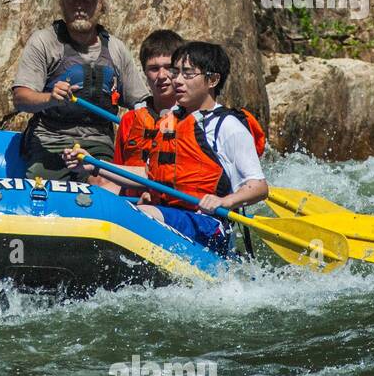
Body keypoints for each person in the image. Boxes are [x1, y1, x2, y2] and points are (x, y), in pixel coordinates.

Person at [70, 41, 266, 254]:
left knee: (137, 214)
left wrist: (225, 201)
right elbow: (148, 174)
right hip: (169, 213)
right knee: (114, 209)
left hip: (208, 224)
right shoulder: (170, 122)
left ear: (212, 80)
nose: (178, 81)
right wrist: (94, 166)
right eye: (177, 73)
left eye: (188, 74)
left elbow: (258, 187)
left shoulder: (228, 126)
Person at [11, 0, 147, 180]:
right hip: (51, 143)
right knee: (43, 192)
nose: (79, 6)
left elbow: (140, 103)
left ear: (101, 5)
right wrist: (49, 98)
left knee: (102, 182)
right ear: (61, 4)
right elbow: (21, 98)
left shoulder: (116, 49)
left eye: (87, 0)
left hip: (99, 145)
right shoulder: (44, 42)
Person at [110, 29, 184, 196]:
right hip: (132, 209)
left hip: (172, 209)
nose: (162, 75)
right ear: (144, 71)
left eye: (168, 67)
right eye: (154, 68)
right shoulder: (129, 120)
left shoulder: (193, 119)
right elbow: (117, 177)